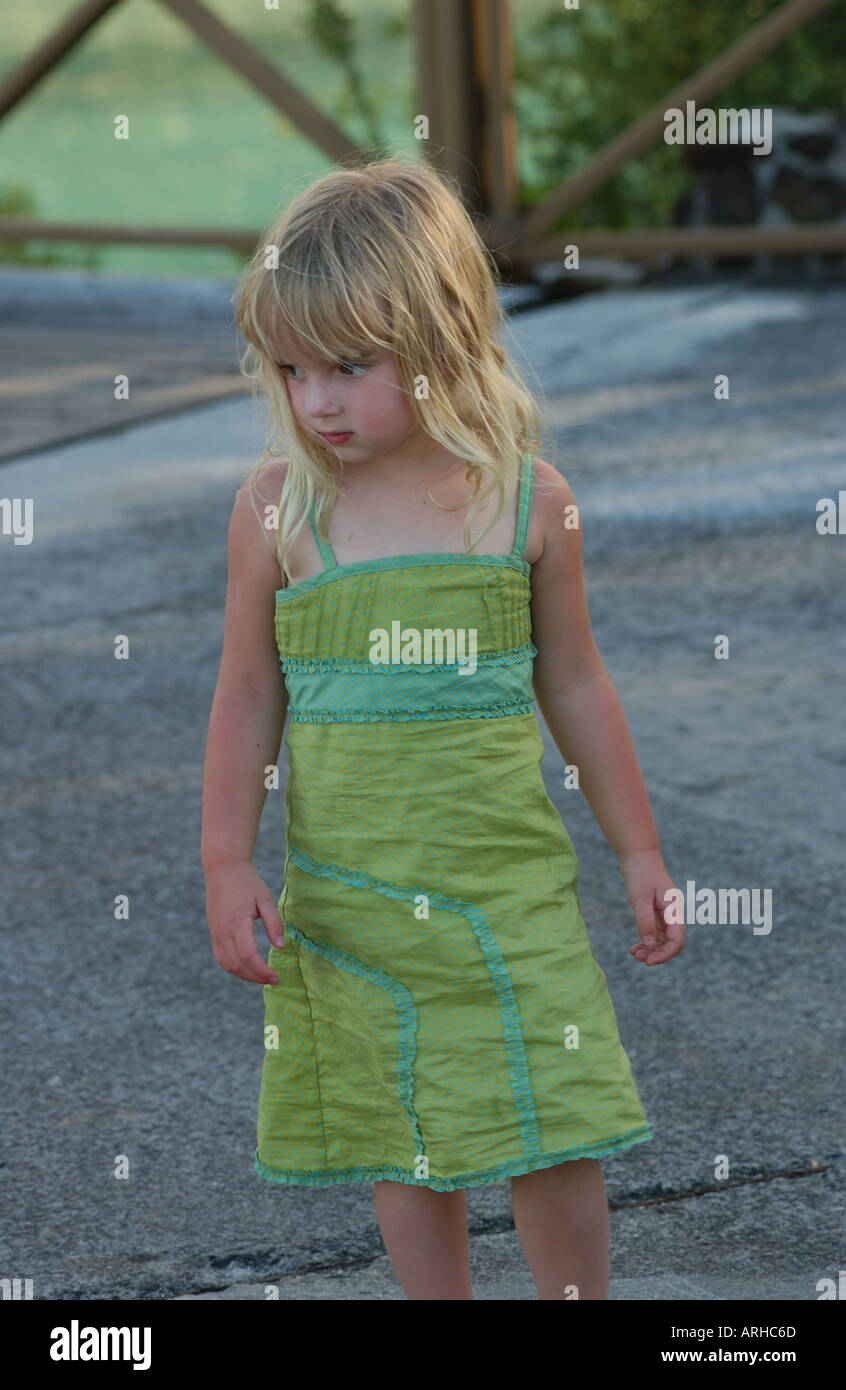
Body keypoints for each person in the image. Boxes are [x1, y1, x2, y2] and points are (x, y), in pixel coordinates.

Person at [201, 157, 684, 1301]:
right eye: (292, 367)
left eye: (350, 365)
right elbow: (246, 688)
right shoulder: (281, 506)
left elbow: (575, 682)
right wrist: (226, 858)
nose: (316, 399)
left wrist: (641, 850)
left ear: (442, 337)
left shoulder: (526, 499)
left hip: (511, 889)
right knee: (400, 1124)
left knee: (552, 1119)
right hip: (354, 896)